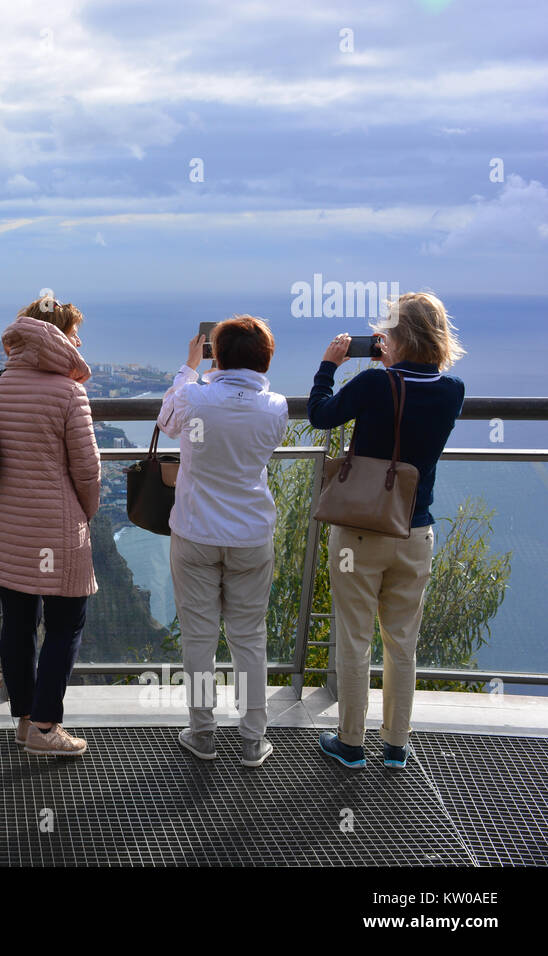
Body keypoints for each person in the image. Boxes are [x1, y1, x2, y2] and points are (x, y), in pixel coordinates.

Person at [310, 292, 465, 770]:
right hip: (415, 532)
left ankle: (350, 743)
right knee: (403, 643)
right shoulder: (453, 389)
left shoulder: (376, 384)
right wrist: (396, 359)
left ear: (393, 336)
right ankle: (396, 745)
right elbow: (416, 402)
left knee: (355, 637)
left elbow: (320, 414)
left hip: (360, 533)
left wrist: (328, 365)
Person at [157, 316, 288, 767]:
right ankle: (253, 738)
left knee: (198, 637)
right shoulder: (276, 407)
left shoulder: (194, 397)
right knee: (249, 637)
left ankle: (202, 731)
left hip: (195, 530)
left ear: (218, 354)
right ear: (266, 357)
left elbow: (166, 420)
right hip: (251, 534)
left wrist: (190, 367)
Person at [0, 295, 100, 757]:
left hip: (5, 524)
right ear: (56, 337)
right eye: (73, 332)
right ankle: (47, 730)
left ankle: (25, 720)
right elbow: (87, 472)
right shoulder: (69, 393)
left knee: (18, 621)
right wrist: (84, 515)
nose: (79, 341)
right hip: (55, 528)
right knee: (66, 623)